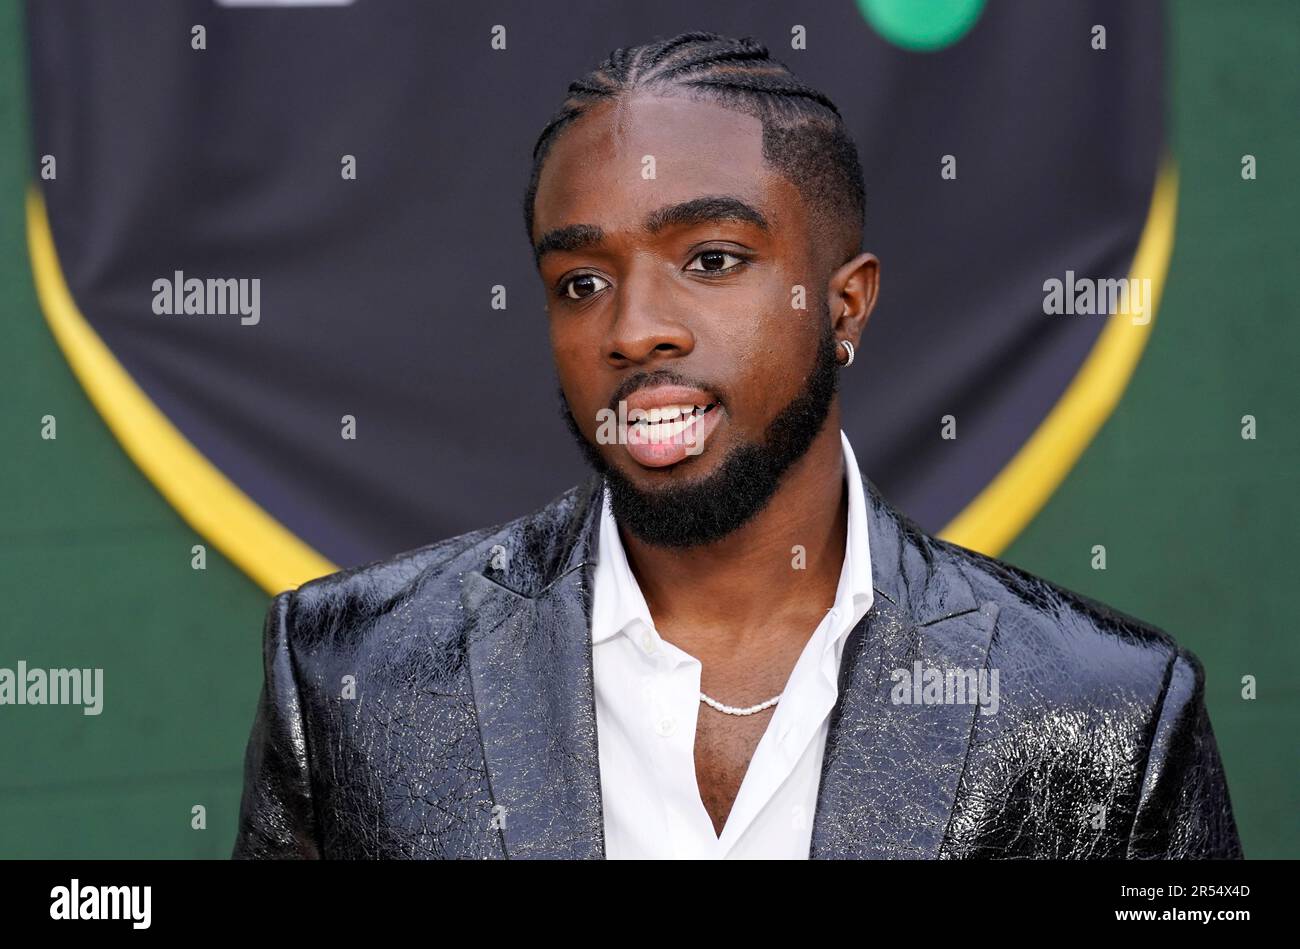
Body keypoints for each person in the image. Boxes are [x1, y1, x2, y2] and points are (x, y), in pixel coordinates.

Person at [232, 31, 1241, 859]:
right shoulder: (349, 675)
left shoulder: (1108, 714)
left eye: (710, 259)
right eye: (581, 282)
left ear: (844, 306)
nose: (632, 329)